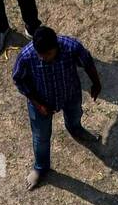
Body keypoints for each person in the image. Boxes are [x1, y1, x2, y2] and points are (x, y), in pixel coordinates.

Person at [13, 25, 104, 190]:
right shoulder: (26, 56)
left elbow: (87, 61)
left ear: (56, 47)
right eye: (40, 54)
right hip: (41, 102)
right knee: (40, 137)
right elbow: (19, 80)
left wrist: (96, 83)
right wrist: (38, 103)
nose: (43, 58)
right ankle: (40, 167)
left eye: (47, 54)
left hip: (70, 94)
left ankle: (75, 129)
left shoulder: (71, 47)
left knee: (75, 115)